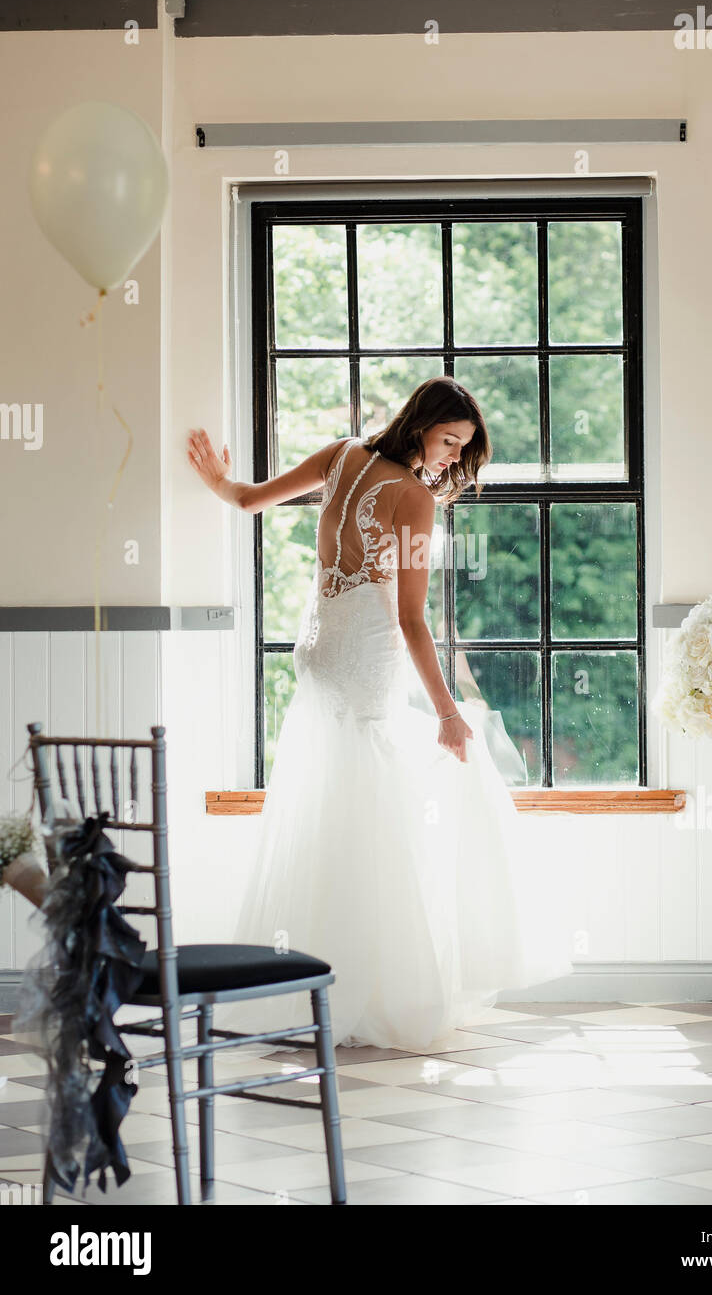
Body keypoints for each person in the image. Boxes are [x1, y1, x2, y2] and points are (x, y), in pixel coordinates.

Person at [187, 378, 575, 1051]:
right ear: (421, 424)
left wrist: (218, 479)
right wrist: (450, 712)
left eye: (462, 449)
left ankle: (307, 984)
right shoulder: (414, 499)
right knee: (379, 808)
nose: (453, 459)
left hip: (317, 651)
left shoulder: (342, 455)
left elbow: (249, 501)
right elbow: (413, 620)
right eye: (449, 440)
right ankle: (369, 991)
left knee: (329, 802)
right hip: (366, 659)